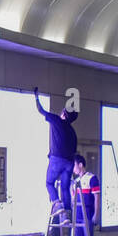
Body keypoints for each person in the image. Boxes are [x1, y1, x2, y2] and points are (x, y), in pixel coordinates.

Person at [35, 87, 79, 222]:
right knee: (65, 188)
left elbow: (41, 110)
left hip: (57, 160)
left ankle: (57, 204)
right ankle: (67, 215)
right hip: (69, 163)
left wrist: (36, 97)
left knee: (49, 183)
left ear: (64, 114)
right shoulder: (73, 132)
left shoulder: (56, 120)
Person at [71, 154, 99, 236]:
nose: (73, 169)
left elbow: (97, 197)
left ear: (80, 165)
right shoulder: (75, 181)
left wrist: (96, 214)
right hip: (77, 215)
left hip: (88, 213)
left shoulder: (92, 178)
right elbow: (73, 199)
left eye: (74, 165)